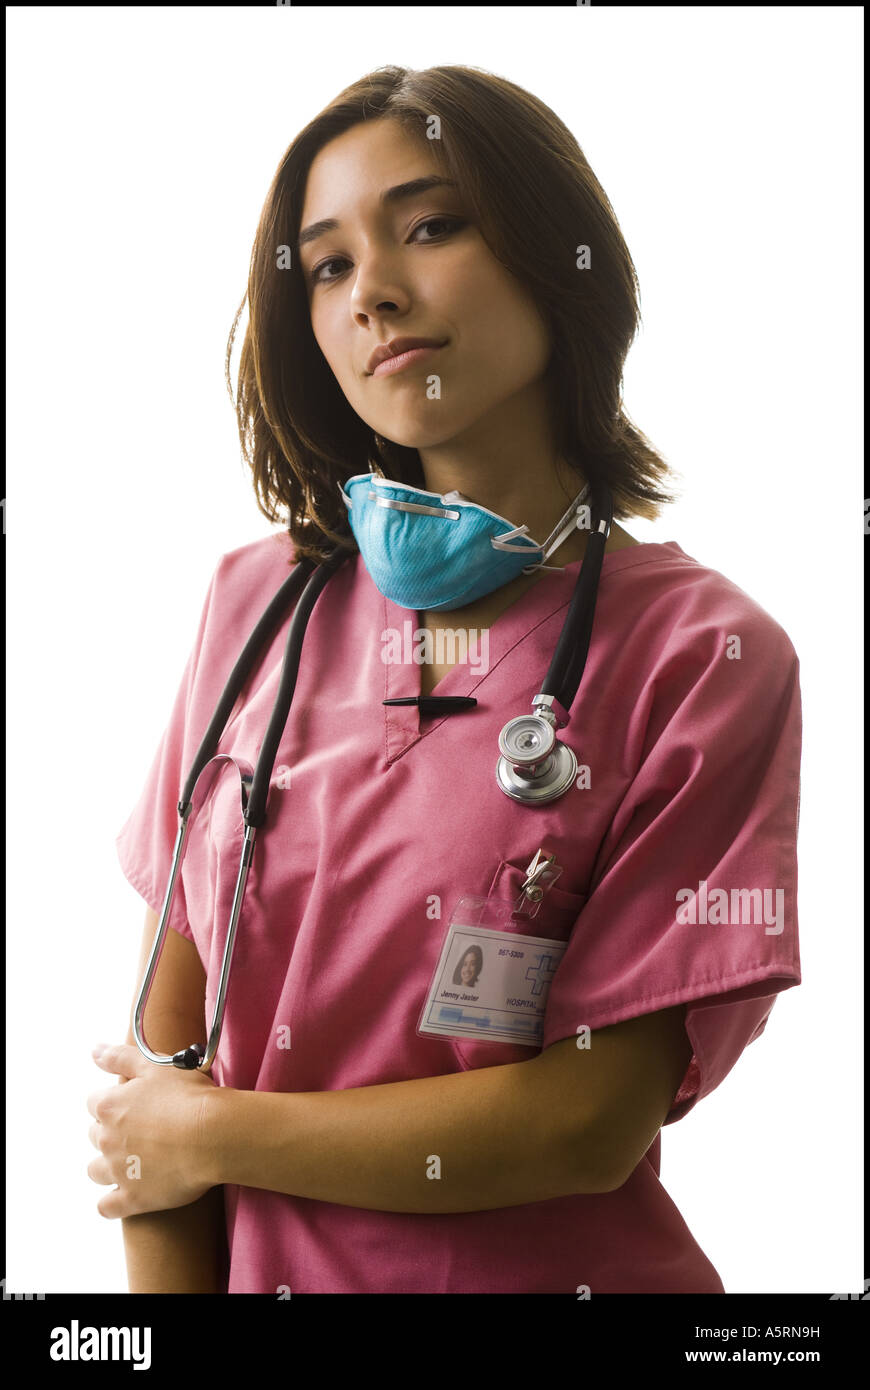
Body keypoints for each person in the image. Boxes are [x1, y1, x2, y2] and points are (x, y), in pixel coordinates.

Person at [88, 65, 802, 1294]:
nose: (374, 290)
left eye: (430, 225)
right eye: (325, 265)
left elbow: (588, 1121)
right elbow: (164, 1082)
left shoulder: (705, 657)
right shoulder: (253, 607)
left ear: (551, 247)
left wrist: (217, 1136)